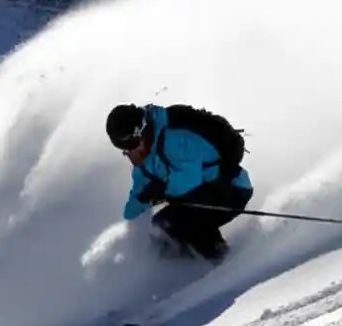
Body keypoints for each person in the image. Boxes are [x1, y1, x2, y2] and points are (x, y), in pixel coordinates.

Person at [105, 103, 253, 262]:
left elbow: (191, 178)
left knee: (175, 224)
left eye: (131, 148)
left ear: (140, 133)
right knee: (158, 230)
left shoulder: (175, 138)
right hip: (201, 197)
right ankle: (178, 271)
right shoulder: (145, 162)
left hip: (230, 189)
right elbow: (138, 197)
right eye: (125, 151)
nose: (130, 155)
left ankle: (222, 260)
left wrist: (160, 190)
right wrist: (136, 214)